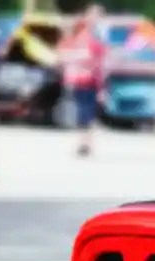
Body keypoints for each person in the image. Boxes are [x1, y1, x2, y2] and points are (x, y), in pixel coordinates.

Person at [57, 4, 106, 157]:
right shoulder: (82, 32)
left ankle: (86, 143)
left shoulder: (99, 34)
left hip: (92, 78)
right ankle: (83, 142)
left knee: (88, 111)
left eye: (98, 15)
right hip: (80, 78)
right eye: (92, 14)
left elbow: (100, 58)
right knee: (82, 110)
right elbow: (66, 51)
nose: (95, 18)